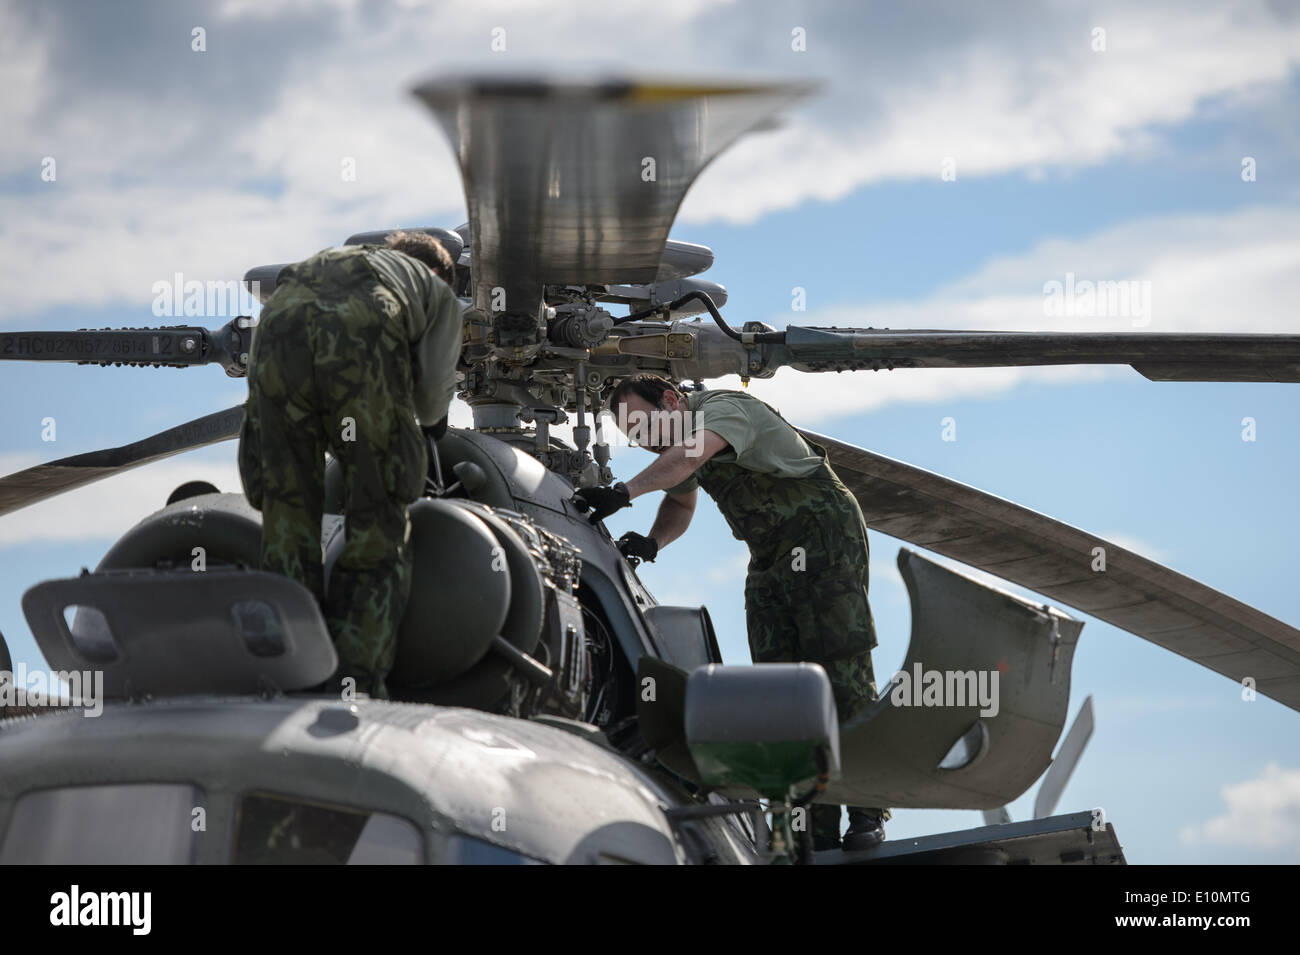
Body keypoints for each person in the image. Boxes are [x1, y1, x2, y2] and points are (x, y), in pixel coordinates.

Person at [574, 373, 889, 851]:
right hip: (768, 556)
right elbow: (680, 503)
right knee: (781, 687)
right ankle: (813, 829)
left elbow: (691, 456)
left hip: (823, 535)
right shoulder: (679, 440)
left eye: (645, 426)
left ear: (673, 400)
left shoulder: (722, 410)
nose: (645, 442)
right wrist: (652, 542)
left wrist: (622, 493)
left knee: (839, 667)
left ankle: (866, 809)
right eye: (635, 437)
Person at [237, 231, 463, 699]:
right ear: (440, 271)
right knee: (379, 513)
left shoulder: (330, 260)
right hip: (362, 332)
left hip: (275, 327)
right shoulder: (433, 286)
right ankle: (355, 677)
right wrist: (430, 424)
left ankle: (285, 669)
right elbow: (435, 381)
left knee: (286, 510)